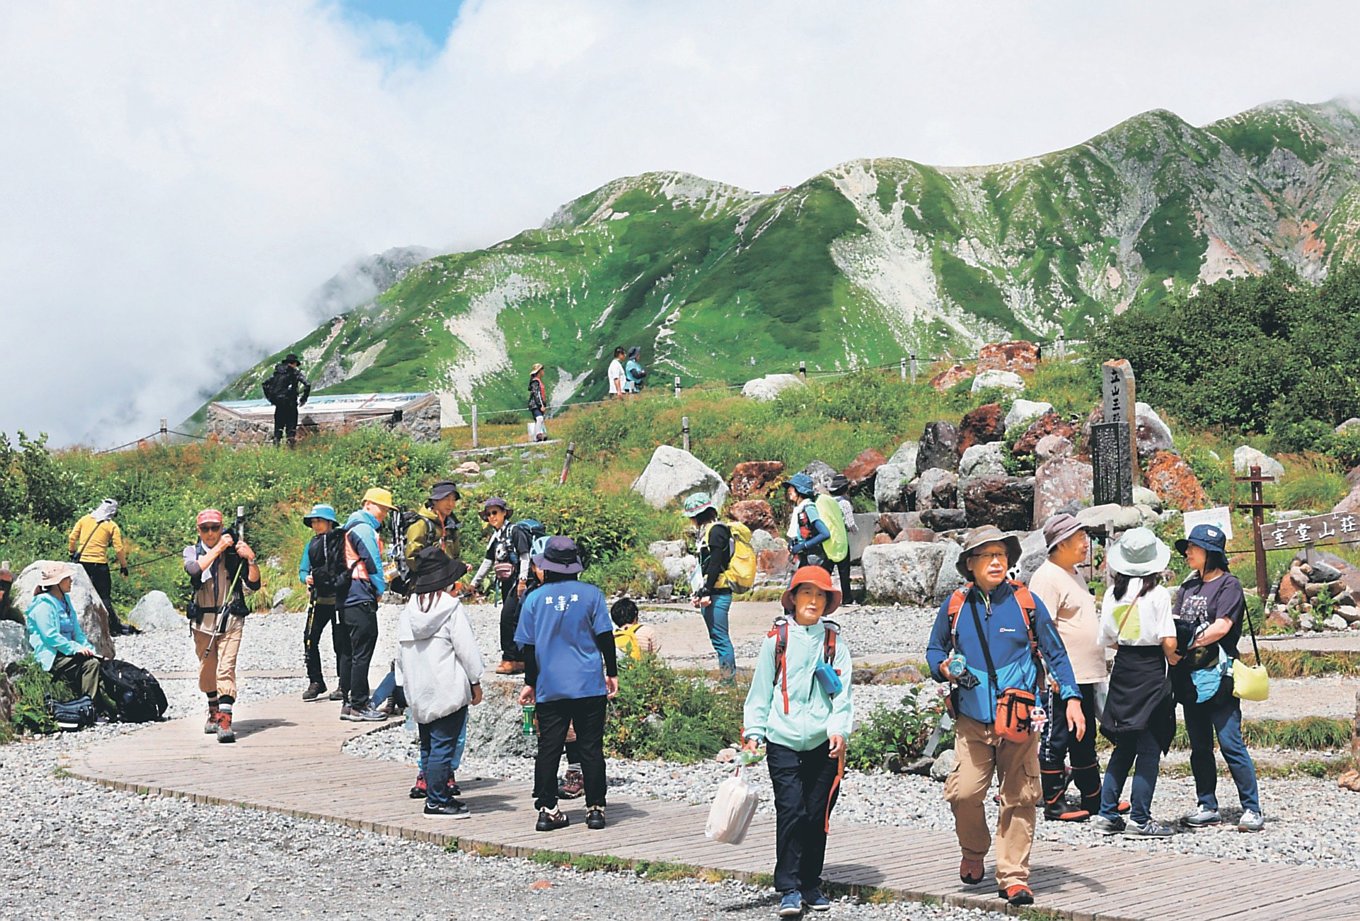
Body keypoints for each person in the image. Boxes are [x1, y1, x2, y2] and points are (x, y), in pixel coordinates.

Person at [925, 525, 1085, 908]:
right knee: (964, 792)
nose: (997, 562)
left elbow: (1055, 652)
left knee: (1021, 796)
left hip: (1019, 718)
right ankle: (974, 848)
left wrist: (1073, 697)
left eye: (1001, 555)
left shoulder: (1026, 602)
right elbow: (934, 650)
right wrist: (944, 668)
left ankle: (1013, 877)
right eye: (987, 556)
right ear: (970, 565)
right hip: (971, 720)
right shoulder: (955, 605)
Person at [742, 565, 853, 918]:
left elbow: (843, 698)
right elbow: (760, 691)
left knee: (817, 814)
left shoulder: (835, 644)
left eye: (820, 595)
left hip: (823, 743)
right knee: (791, 809)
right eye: (807, 593)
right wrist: (753, 734)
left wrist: (839, 730)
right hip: (782, 739)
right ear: (793, 598)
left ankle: (810, 882)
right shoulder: (777, 641)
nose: (814, 601)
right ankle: (788, 886)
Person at [515, 537, 618, 832]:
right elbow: (605, 637)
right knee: (590, 747)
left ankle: (548, 810)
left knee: (549, 747)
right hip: (588, 683)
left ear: (546, 566)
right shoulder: (591, 595)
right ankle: (595, 809)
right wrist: (611, 672)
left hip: (550, 685)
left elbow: (529, 648)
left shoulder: (534, 599)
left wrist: (530, 683)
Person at [1172, 523, 1264, 833]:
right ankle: (1207, 805)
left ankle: (1251, 808)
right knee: (1199, 745)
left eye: (1193, 548)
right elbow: (1175, 623)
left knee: (1230, 742)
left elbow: (1223, 626)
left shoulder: (1229, 586)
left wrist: (1190, 642)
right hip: (1190, 676)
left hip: (1220, 676)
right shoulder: (1186, 587)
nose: (1187, 553)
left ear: (1210, 553)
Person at [1090, 528, 1180, 837]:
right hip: (1151, 670)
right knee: (1150, 747)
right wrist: (1174, 660)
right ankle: (1140, 818)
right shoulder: (1158, 595)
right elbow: (1168, 640)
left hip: (1124, 668)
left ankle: (1106, 813)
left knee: (1124, 744)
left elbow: (1107, 639)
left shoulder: (1112, 595)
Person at [1028, 513, 1108, 822]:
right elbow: (1040, 630)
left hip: (1085, 674)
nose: (1085, 544)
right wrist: (1052, 674)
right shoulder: (1047, 577)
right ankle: (1054, 800)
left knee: (1083, 735)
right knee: (1056, 736)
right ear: (1060, 544)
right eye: (1079, 539)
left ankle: (1094, 797)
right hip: (1062, 676)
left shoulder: (1073, 573)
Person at [398, 546, 484, 817]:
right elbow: (466, 650)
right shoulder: (451, 609)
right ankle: (436, 801)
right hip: (447, 688)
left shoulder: (408, 612)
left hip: (419, 690)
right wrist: (475, 681)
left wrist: (404, 686)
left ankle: (436, 793)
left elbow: (399, 655)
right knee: (444, 747)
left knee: (429, 745)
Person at [184, 509, 261, 743]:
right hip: (202, 621)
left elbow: (254, 584)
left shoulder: (233, 552)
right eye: (205, 529)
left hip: (231, 617)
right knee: (207, 668)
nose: (210, 533)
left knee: (226, 668)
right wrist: (219, 548)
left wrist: (250, 559)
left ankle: (225, 719)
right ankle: (213, 709)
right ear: (198, 530)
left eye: (215, 528)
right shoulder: (192, 551)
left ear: (221, 527)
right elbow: (194, 570)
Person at [24, 562, 115, 715]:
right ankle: (89, 707)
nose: (71, 581)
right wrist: (76, 649)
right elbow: (50, 636)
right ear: (57, 583)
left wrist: (90, 649)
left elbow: (77, 633)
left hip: (67, 652)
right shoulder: (43, 605)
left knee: (98, 662)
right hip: (52, 655)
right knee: (90, 665)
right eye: (67, 578)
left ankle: (107, 706)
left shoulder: (65, 600)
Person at [340, 487, 396, 722]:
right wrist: (379, 589)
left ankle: (348, 702)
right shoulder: (364, 528)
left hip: (346, 597)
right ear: (367, 504)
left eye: (386, 509)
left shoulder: (347, 527)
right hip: (360, 595)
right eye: (381, 507)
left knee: (351, 652)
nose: (383, 512)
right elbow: (372, 562)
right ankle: (359, 705)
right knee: (362, 652)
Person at [297, 503, 352, 703]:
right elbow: (303, 570)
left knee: (341, 643)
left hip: (337, 600)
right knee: (310, 639)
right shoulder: (312, 544)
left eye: (319, 521)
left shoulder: (340, 541)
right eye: (313, 521)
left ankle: (343, 683)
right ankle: (316, 681)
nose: (315, 525)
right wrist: (306, 579)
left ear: (330, 523)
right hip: (319, 600)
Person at [471, 497, 532, 675]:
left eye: (495, 512)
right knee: (514, 618)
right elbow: (487, 562)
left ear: (504, 513)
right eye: (489, 514)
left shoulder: (515, 532)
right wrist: (474, 583)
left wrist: (522, 581)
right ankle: (520, 659)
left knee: (507, 618)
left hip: (518, 582)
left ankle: (509, 658)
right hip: (506, 583)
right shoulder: (495, 538)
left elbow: (525, 556)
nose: (492, 517)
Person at [684, 492, 738, 683]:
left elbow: (715, 563)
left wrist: (706, 589)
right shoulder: (711, 531)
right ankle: (727, 678)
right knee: (718, 638)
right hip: (713, 591)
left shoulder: (715, 531)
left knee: (721, 639)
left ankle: (728, 681)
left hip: (718, 593)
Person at [67, 498, 133, 635]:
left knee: (82, 595)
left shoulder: (84, 519)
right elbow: (119, 549)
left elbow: (72, 538)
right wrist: (123, 566)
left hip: (82, 564)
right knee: (104, 596)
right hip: (100, 565)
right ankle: (111, 627)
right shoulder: (111, 526)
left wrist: (72, 552)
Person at [404, 480, 462, 568]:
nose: (451, 504)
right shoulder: (421, 524)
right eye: (446, 499)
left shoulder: (452, 526)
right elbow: (412, 558)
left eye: (453, 499)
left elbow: (455, 555)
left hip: (446, 579)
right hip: (427, 579)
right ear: (435, 501)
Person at [784, 474, 831, 571]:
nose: (789, 490)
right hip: (805, 558)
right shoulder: (799, 508)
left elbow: (825, 533)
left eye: (792, 487)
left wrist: (803, 545)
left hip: (813, 558)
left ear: (800, 491)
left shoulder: (809, 508)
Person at [266, 353, 311, 448]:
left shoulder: (277, 372)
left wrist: (270, 399)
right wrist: (303, 399)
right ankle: (291, 450)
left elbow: (265, 384)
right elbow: (307, 384)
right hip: (290, 404)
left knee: (278, 429)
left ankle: (276, 450)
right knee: (291, 430)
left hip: (279, 404)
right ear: (294, 363)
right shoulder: (295, 373)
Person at [828, 475, 857, 606]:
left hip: (828, 540)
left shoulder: (827, 502)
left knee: (827, 570)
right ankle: (847, 598)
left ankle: (825, 596)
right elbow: (850, 523)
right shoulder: (844, 503)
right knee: (844, 571)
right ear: (845, 489)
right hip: (841, 540)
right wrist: (856, 531)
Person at [528, 363, 548, 442]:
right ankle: (538, 435)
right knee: (539, 418)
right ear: (539, 371)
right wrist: (541, 405)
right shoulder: (535, 382)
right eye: (542, 370)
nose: (543, 371)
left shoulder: (537, 381)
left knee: (539, 420)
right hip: (535, 404)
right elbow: (537, 394)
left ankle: (537, 436)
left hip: (537, 404)